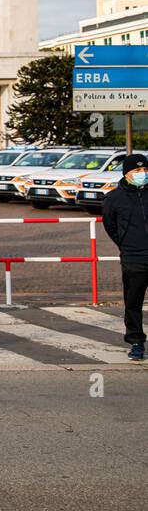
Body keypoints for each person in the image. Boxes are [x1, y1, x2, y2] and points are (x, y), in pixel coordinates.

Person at [100, 153, 148, 361]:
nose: (142, 174)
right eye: (137, 171)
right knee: (133, 302)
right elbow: (110, 225)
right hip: (133, 259)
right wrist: (126, 244)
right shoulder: (114, 198)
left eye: (145, 170)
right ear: (126, 174)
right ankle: (136, 342)